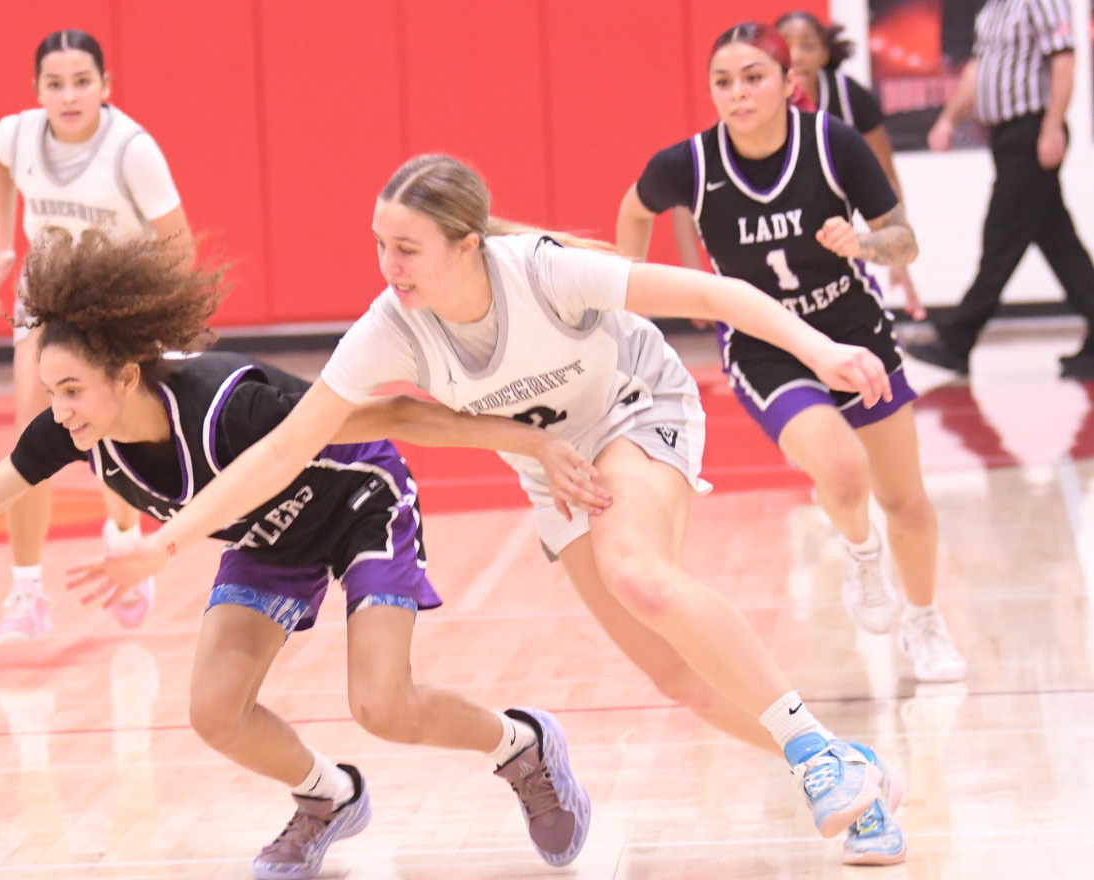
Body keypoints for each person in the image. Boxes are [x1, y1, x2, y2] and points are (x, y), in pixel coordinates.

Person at [82, 147, 910, 865]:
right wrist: (167, 542)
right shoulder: (391, 326)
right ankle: (847, 768)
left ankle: (811, 753)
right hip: (548, 461)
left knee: (641, 577)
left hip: (633, 406)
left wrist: (818, 348)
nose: (388, 266)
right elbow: (283, 448)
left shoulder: (542, 271)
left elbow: (717, 294)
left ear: (465, 245)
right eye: (379, 246)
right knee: (678, 679)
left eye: (407, 249)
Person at [0, 231, 592, 877]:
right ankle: (328, 797)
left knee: (381, 704)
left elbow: (392, 414)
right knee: (214, 713)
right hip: (263, 536)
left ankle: (522, 747)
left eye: (73, 389)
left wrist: (526, 439)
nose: (60, 411)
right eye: (50, 391)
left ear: (123, 373)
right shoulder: (68, 434)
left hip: (356, 502)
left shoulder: (232, 402)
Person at [618, 21, 966, 694]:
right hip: (764, 344)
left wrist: (862, 245)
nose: (737, 93)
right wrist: (636, 294)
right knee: (839, 469)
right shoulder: (687, 163)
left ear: (788, 84)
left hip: (853, 327)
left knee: (907, 501)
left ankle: (922, 620)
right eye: (722, 82)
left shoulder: (830, 143)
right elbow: (633, 210)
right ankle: (862, 557)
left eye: (753, 77)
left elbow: (904, 242)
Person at [0, 29, 194, 640]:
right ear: (37, 91)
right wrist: (3, 245)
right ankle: (25, 590)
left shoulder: (131, 150)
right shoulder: (16, 134)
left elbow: (178, 242)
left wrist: (156, 322)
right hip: (46, 299)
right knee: (32, 424)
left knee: (107, 435)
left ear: (105, 86)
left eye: (81, 82)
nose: (69, 94)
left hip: (111, 306)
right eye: (55, 83)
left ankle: (123, 537)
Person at [670, 12, 925, 322]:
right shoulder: (739, 118)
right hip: (759, 272)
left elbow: (887, 179)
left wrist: (891, 254)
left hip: (830, 266)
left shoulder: (847, 101)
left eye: (809, 45)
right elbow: (682, 193)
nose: (798, 55)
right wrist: (695, 278)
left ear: (825, 53)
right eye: (787, 45)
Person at [905, 0, 1094, 379]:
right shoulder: (992, 8)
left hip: (1031, 131)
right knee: (1059, 244)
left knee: (1001, 239)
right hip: (1006, 137)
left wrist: (1053, 125)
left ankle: (958, 338)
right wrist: (948, 118)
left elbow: (1063, 61)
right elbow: (978, 70)